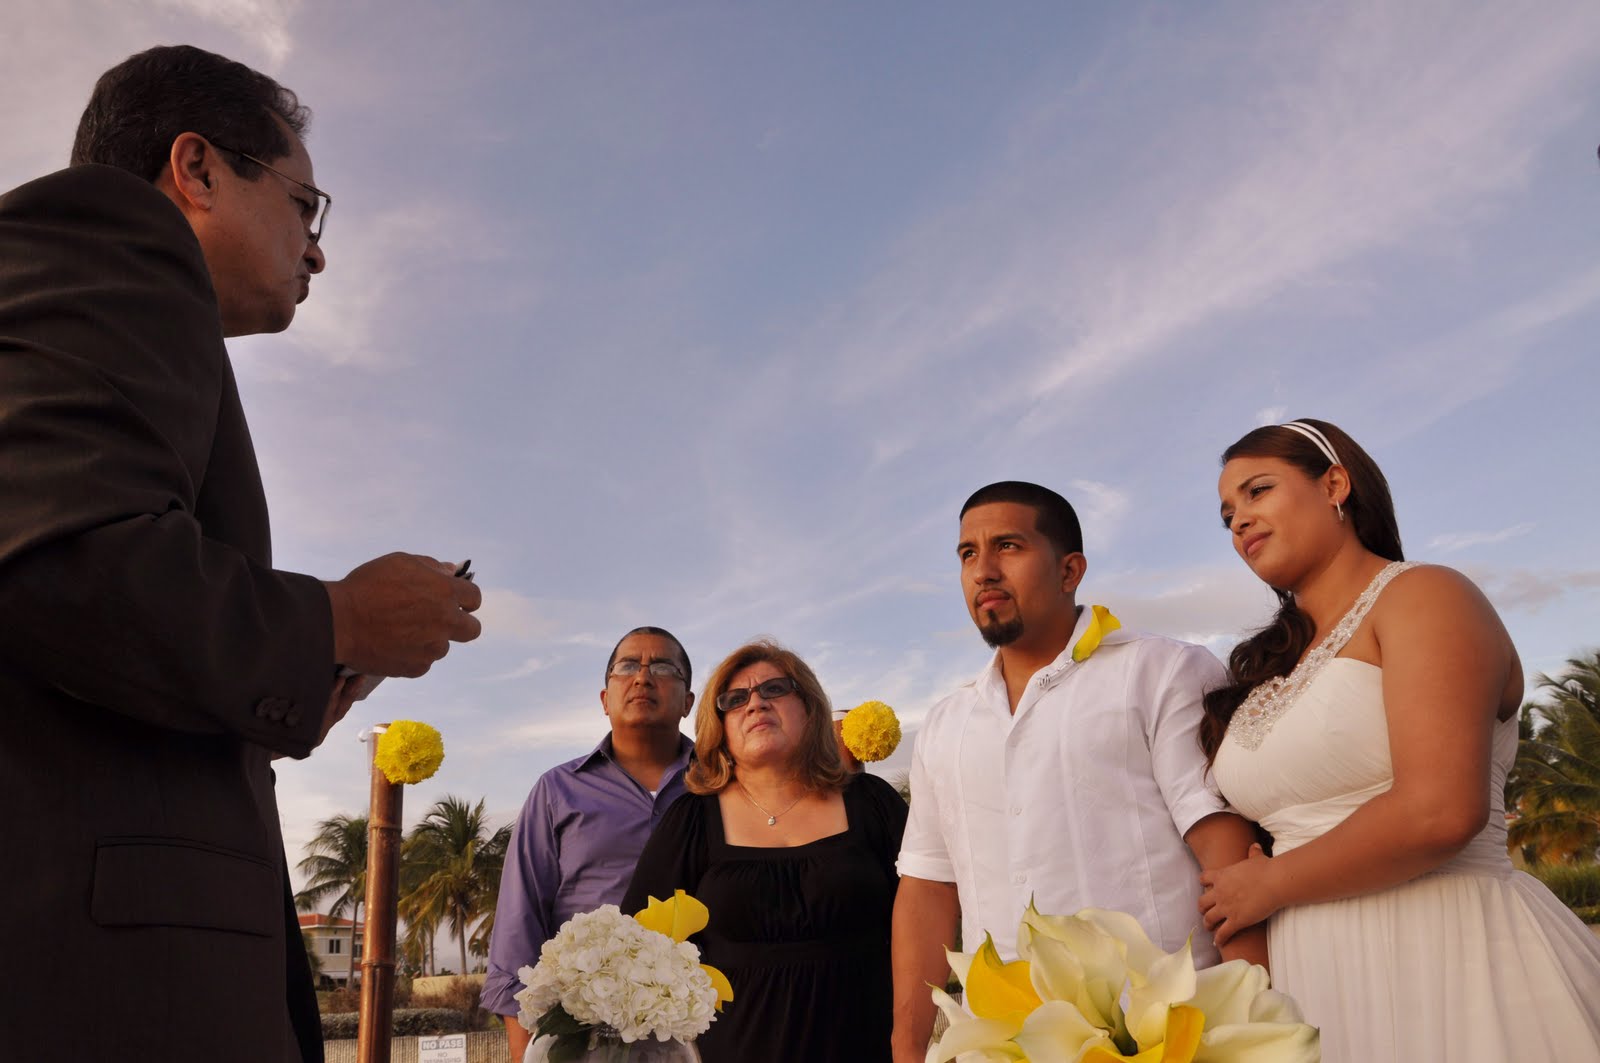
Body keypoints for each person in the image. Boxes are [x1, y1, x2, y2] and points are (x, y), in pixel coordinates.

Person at [0, 46, 482, 1062]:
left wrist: (304, 674)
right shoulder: (115, 236)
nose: (316, 253)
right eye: (306, 206)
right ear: (198, 168)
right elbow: (65, 567)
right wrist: (339, 618)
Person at [1198, 419, 1600, 1061]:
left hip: (1449, 955)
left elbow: (1440, 810)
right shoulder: (1266, 670)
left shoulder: (1425, 595)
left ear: (1335, 484)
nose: (1239, 520)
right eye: (1226, 516)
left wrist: (1269, 885)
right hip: (1314, 981)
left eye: (1258, 491)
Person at [891, 481, 1265, 1063]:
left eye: (1008, 546)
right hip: (1000, 1045)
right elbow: (927, 889)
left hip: (1160, 1038)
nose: (983, 570)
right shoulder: (946, 723)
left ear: (1070, 570)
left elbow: (1226, 856)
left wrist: (1259, 1021)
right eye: (967, 553)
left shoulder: (1162, 672)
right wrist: (907, 1045)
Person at [623, 639, 907, 1063]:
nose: (755, 703)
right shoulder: (691, 820)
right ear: (720, 727)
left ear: (809, 708)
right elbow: (637, 947)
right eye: (736, 699)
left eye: (774, 689)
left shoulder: (872, 802)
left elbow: (928, 917)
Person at [483, 626, 697, 1060]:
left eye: (662, 667)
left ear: (687, 702)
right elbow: (518, 927)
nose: (642, 677)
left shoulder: (721, 785)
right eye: (627, 666)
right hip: (585, 1040)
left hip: (710, 1026)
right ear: (605, 698)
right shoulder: (558, 791)